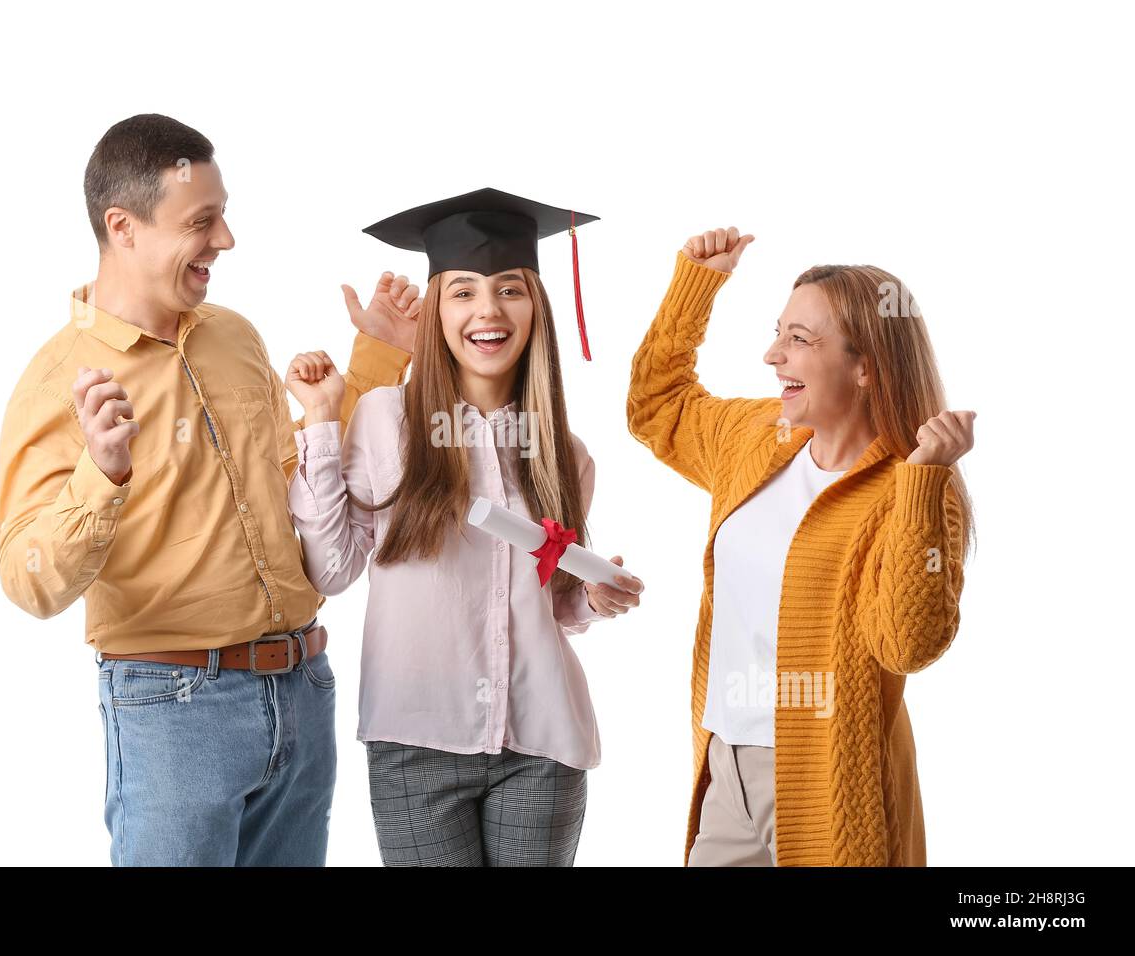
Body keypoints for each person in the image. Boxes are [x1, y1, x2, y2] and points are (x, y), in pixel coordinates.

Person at [0, 113, 422, 865]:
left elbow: (304, 487)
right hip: (173, 711)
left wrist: (380, 357)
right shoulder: (57, 380)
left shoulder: (234, 336)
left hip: (301, 690)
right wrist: (104, 473)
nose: (226, 241)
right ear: (123, 227)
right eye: (203, 222)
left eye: (223, 216)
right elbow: (28, 583)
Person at [286, 188, 644, 866]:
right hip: (416, 742)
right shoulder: (386, 421)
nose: (488, 310)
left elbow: (555, 598)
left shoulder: (565, 452)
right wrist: (322, 424)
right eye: (463, 292)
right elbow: (329, 570)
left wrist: (593, 598)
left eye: (510, 289)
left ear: (536, 307)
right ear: (437, 312)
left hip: (543, 743)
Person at [627, 227, 975, 866]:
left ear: (866, 365)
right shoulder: (755, 437)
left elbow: (908, 644)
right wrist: (696, 286)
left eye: (799, 340)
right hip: (725, 764)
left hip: (831, 780)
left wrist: (925, 481)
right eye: (778, 332)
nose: (771, 355)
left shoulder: (911, 490)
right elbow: (657, 406)